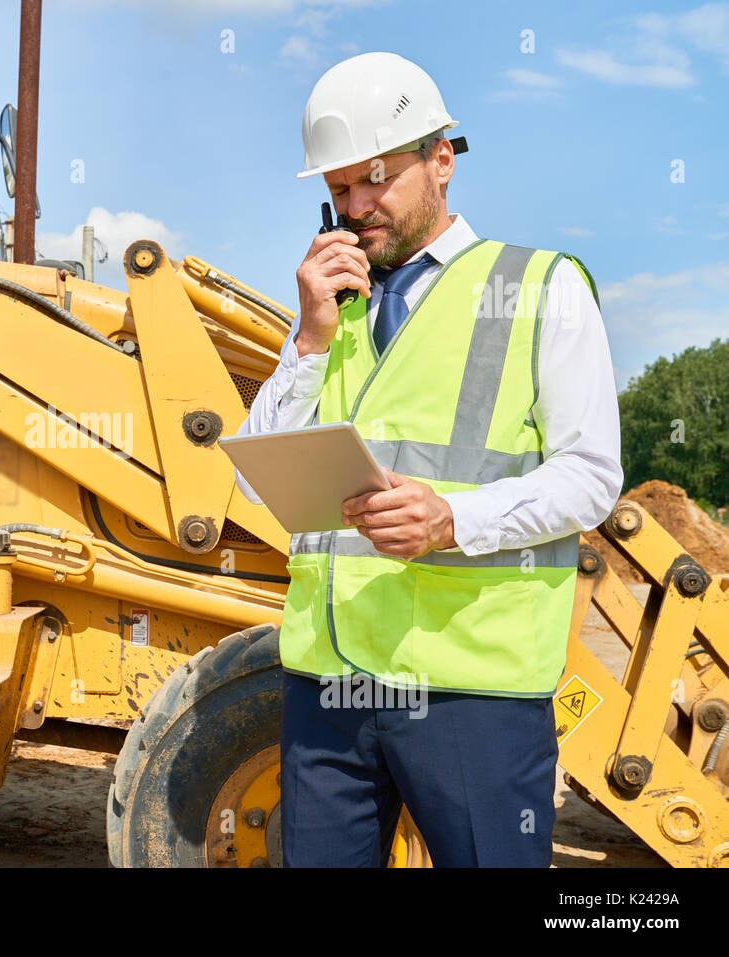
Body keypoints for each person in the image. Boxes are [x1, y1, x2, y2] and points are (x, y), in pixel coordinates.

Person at [231, 51, 622, 867]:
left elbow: (592, 474)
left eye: (375, 178)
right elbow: (250, 470)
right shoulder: (329, 308)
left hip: (470, 693)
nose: (356, 207)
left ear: (442, 160)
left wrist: (455, 517)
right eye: (338, 189)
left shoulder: (540, 288)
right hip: (328, 689)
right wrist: (306, 338)